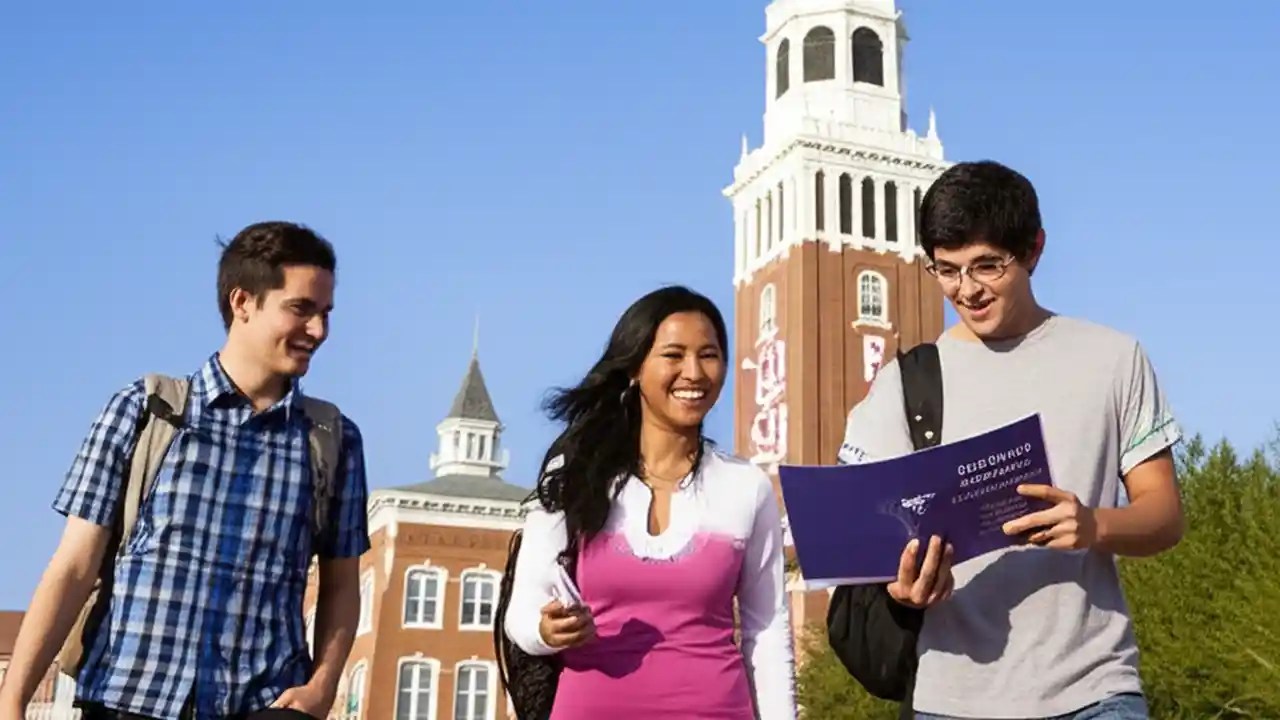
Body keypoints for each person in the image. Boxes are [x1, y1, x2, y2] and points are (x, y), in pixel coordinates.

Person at [837, 161, 1184, 719]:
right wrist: (903, 588)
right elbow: (858, 537)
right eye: (946, 270)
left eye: (987, 266)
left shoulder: (1113, 359)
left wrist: (1093, 525)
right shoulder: (908, 383)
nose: (966, 290)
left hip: (1095, 692)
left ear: (1034, 250)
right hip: (949, 699)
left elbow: (1165, 515)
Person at [0, 221, 370, 720]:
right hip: (127, 699)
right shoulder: (144, 411)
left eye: (325, 314)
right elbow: (72, 566)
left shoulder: (333, 440)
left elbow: (342, 585)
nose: (319, 331)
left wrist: (322, 688)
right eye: (301, 309)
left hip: (266, 704)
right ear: (243, 302)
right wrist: (12, 700)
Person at [502, 285, 797, 719]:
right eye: (674, 355)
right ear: (635, 367)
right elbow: (522, 614)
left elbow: (767, 631)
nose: (694, 372)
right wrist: (547, 630)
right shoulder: (573, 476)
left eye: (709, 355)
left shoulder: (745, 487)